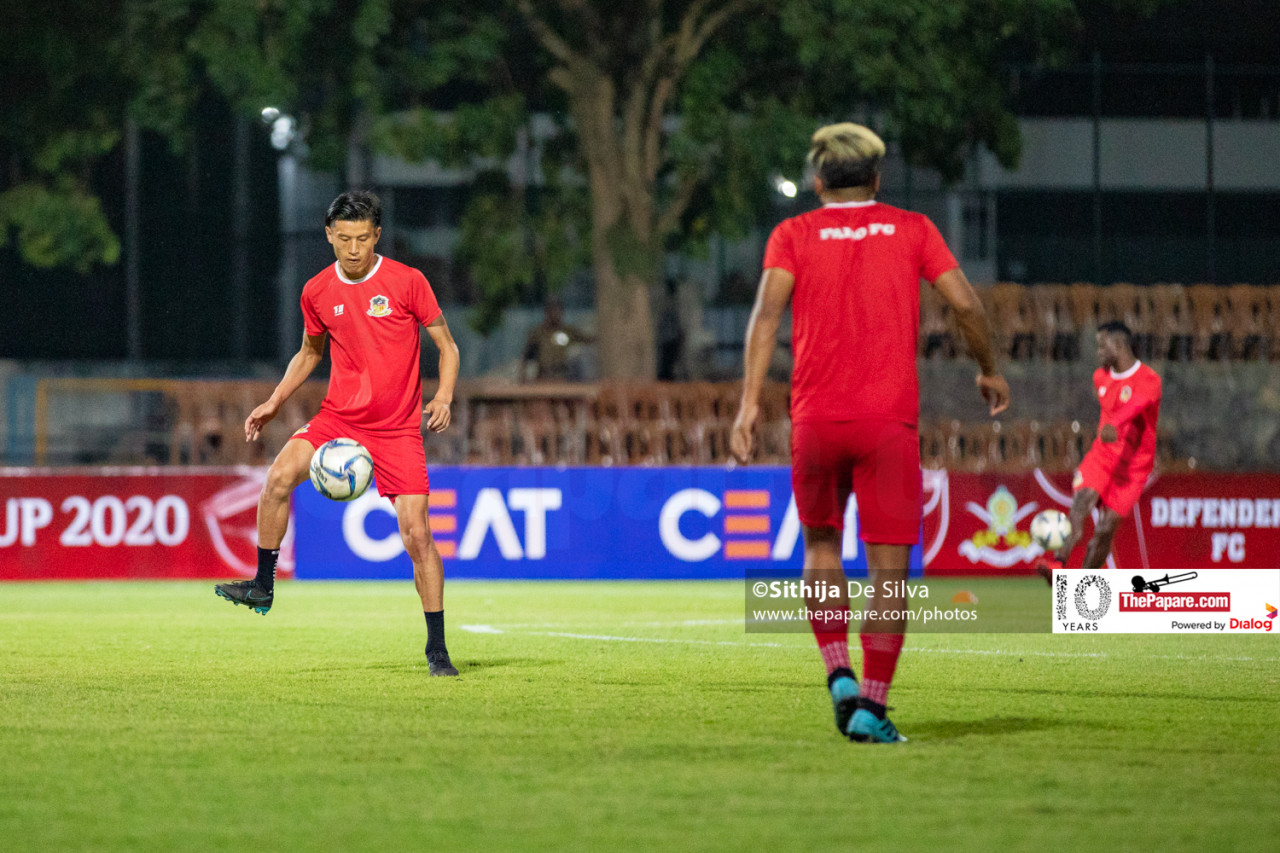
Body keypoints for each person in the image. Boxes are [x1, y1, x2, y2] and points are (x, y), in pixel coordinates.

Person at [730, 123, 1009, 743]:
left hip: (816, 421)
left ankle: (838, 676)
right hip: (887, 423)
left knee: (821, 550)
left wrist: (748, 406)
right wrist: (987, 369)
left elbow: (764, 319)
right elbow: (965, 305)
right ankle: (872, 709)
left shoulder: (793, 234)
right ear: (877, 180)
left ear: (817, 181)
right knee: (889, 572)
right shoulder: (913, 228)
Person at [214, 190, 463, 677]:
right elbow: (309, 353)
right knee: (278, 477)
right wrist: (274, 401)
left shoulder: (407, 282)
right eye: (344, 238)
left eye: (363, 239)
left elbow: (448, 348)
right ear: (329, 235)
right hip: (340, 419)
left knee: (418, 535)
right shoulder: (316, 291)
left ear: (377, 236)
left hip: (396, 430)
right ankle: (263, 584)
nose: (353, 249)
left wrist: (444, 396)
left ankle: (437, 650)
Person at [1036, 321, 1162, 578]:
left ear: (1119, 345)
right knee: (1081, 503)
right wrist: (1110, 429)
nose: (1098, 352)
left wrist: (1115, 423)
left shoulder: (1149, 379)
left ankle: (1081, 583)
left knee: (1105, 529)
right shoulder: (1100, 377)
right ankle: (1058, 566)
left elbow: (1135, 405)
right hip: (1102, 458)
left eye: (1102, 346)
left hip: (1132, 470)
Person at [522, 297, 593, 380]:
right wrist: (523, 374)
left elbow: (587, 339)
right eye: (551, 311)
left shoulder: (568, 331)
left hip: (562, 374)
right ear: (546, 313)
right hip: (544, 375)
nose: (554, 314)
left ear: (561, 312)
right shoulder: (538, 332)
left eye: (556, 311)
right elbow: (527, 354)